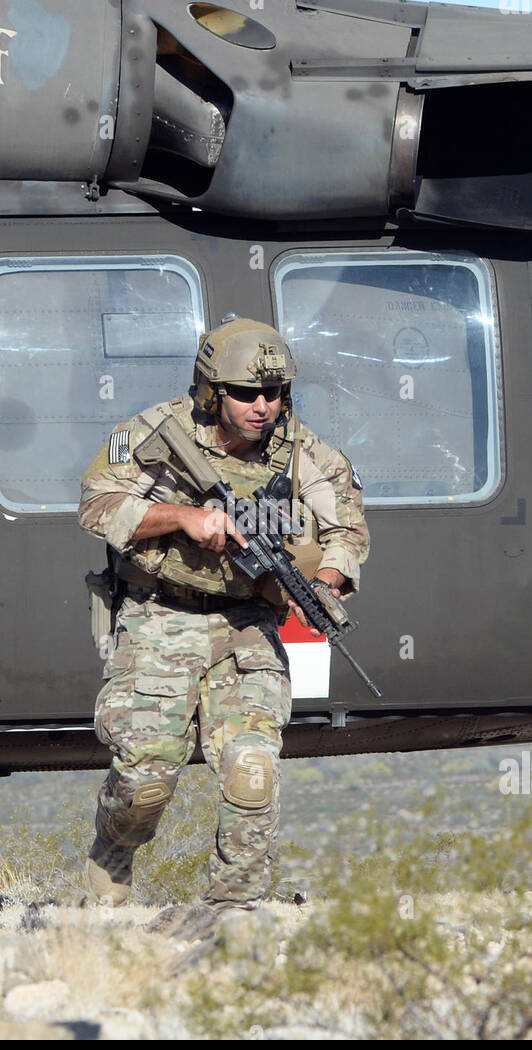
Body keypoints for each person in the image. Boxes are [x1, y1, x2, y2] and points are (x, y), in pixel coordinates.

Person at [78, 315, 369, 910]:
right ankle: (110, 862)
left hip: (246, 624)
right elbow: (96, 506)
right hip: (160, 616)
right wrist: (185, 519)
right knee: (145, 780)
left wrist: (326, 578)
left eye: (275, 393)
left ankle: (233, 913)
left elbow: (347, 527)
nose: (262, 406)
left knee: (252, 769)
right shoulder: (157, 432)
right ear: (213, 391)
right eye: (245, 394)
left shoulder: (303, 452)